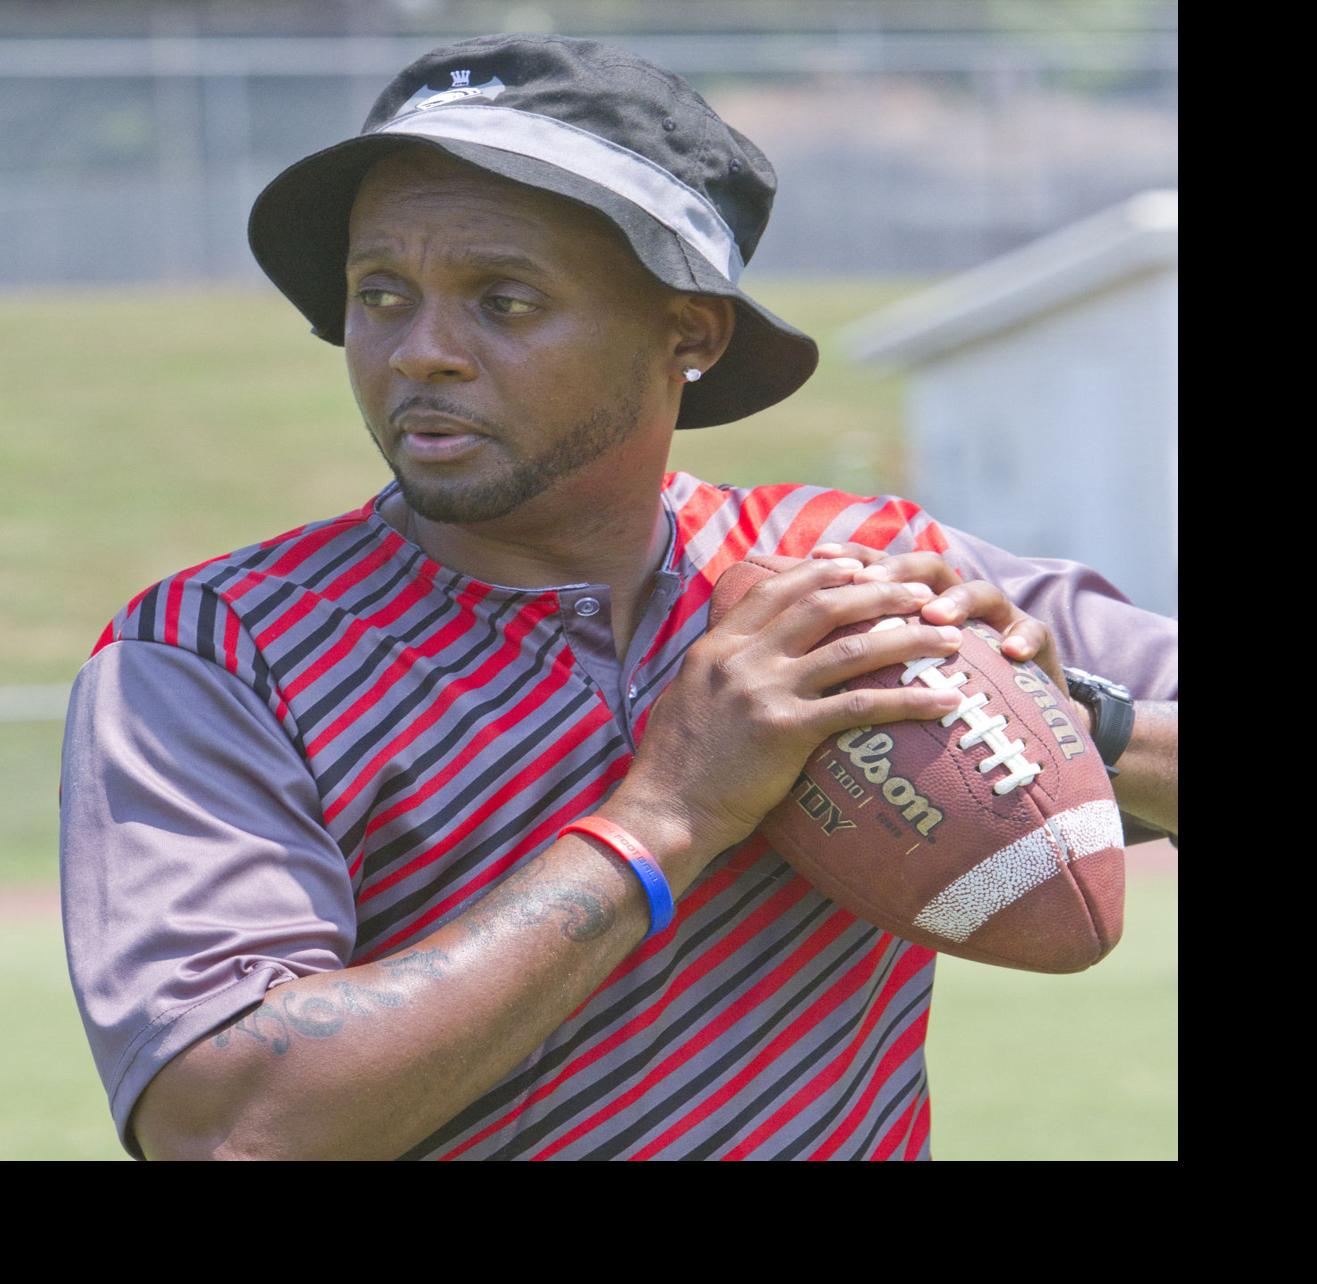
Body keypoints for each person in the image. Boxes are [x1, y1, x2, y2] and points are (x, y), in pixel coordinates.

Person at [59, 34, 1178, 1161]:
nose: (420, 352)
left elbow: (1084, 719)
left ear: (687, 331)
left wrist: (1060, 714)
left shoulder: (858, 574)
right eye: (381, 294)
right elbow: (227, 1126)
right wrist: (670, 814)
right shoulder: (218, 653)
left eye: (503, 300)